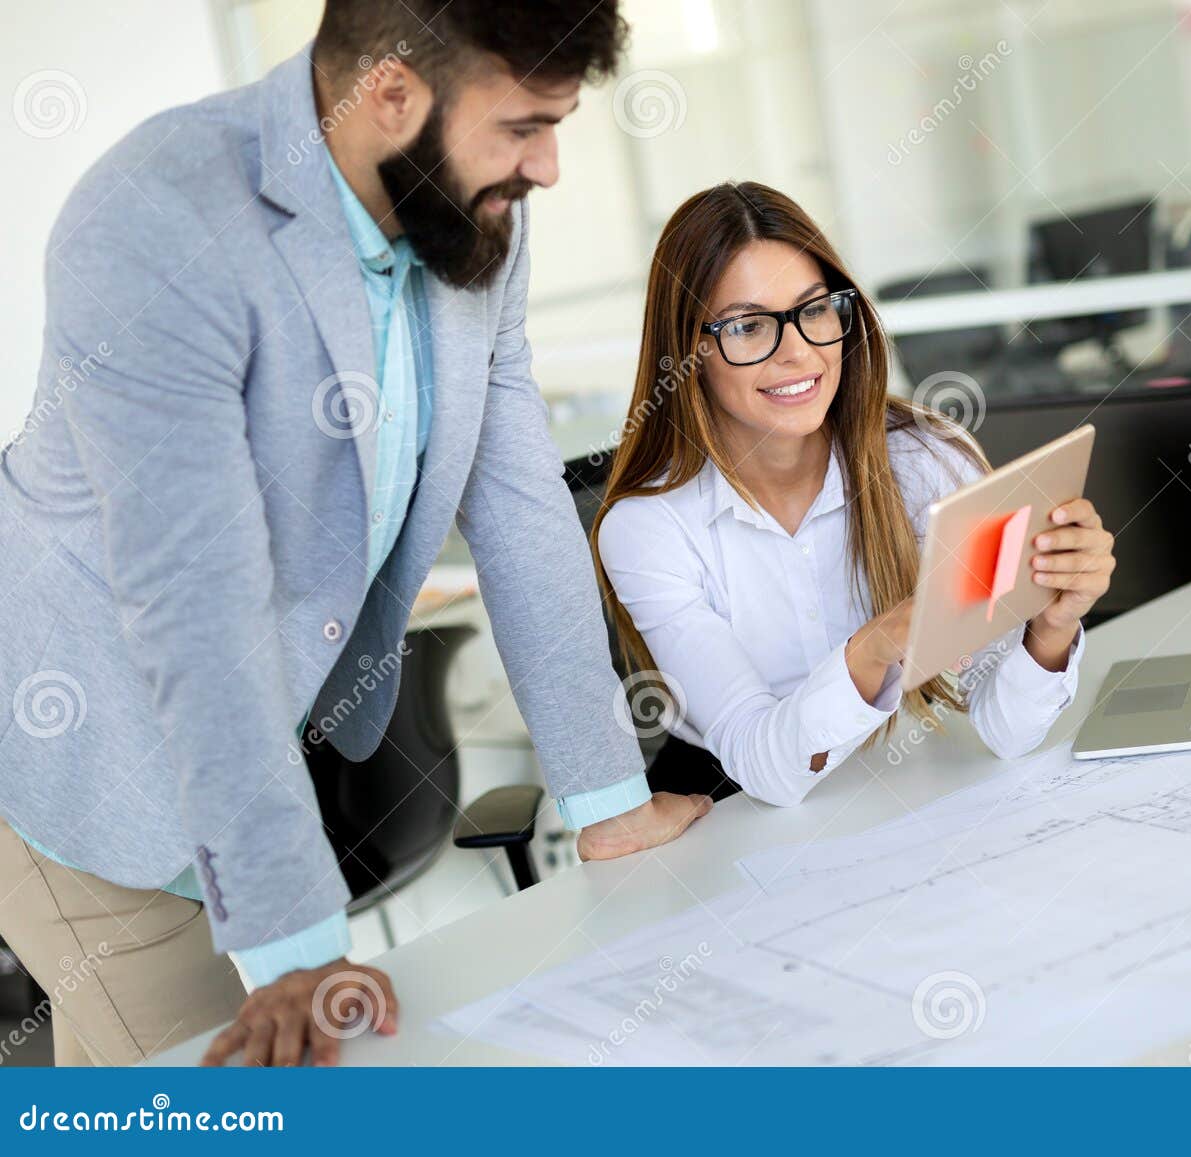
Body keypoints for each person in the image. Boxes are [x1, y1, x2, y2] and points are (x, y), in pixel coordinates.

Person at [0, 0, 708, 1068]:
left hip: (257, 731)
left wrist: (606, 796)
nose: (550, 166)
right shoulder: (154, 221)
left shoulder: (468, 213)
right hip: (88, 743)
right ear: (390, 95)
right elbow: (193, 598)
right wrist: (296, 948)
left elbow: (516, 497)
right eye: (522, 127)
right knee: (193, 1099)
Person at [592, 182, 1116, 807]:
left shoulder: (924, 460)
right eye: (748, 326)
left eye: (814, 310)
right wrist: (878, 645)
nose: (796, 352)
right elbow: (768, 771)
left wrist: (1051, 625)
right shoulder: (648, 526)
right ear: (691, 350)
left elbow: (1007, 732)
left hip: (896, 781)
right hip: (731, 807)